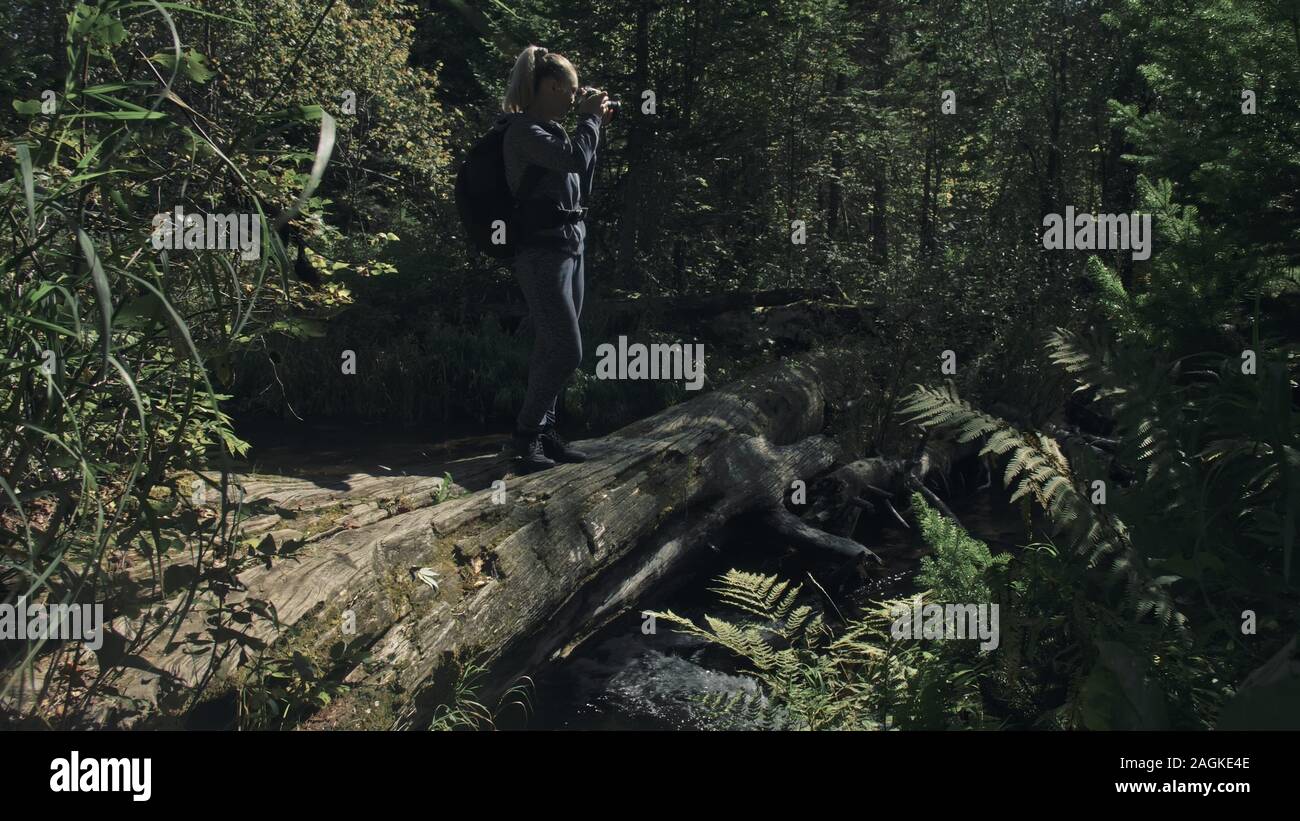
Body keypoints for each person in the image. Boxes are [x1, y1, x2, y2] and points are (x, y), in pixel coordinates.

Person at [494, 45, 614, 473]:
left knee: (551, 346)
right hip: (540, 252)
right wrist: (589, 119)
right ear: (551, 86)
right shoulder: (524, 131)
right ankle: (524, 440)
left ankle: (544, 434)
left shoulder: (553, 130)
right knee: (566, 351)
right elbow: (572, 159)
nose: (576, 97)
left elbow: (582, 173)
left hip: (569, 245)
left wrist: (592, 127)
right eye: (573, 90)